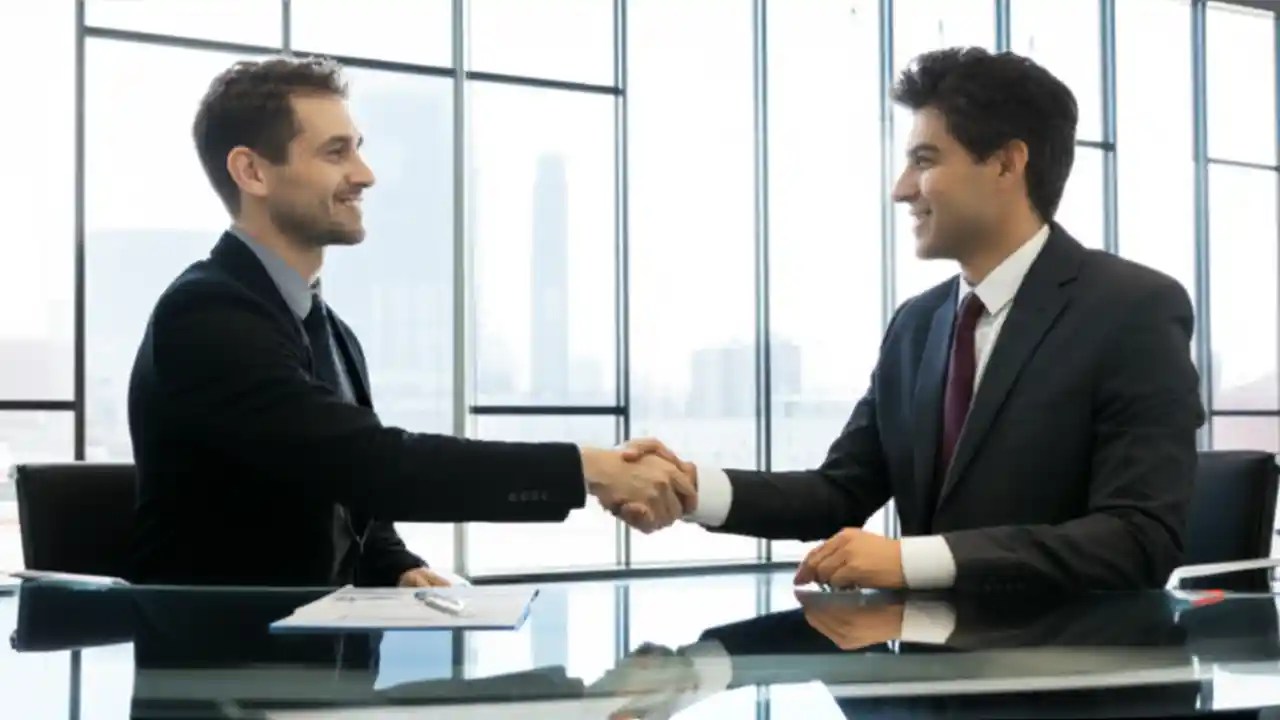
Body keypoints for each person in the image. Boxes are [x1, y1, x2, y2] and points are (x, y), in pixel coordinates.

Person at [621, 46, 1204, 592]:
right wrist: (691, 489)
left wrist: (911, 560)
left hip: (1072, 679)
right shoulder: (917, 324)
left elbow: (1139, 539)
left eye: (923, 161)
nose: (902, 190)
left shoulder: (1133, 308)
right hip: (929, 676)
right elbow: (840, 491)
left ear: (1006, 164)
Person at [126, 56, 692, 588]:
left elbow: (339, 488)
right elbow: (369, 462)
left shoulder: (329, 329)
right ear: (251, 171)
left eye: (358, 149)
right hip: (223, 672)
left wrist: (395, 566)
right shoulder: (204, 316)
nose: (365, 174)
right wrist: (587, 468)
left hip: (321, 672)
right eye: (335, 152)